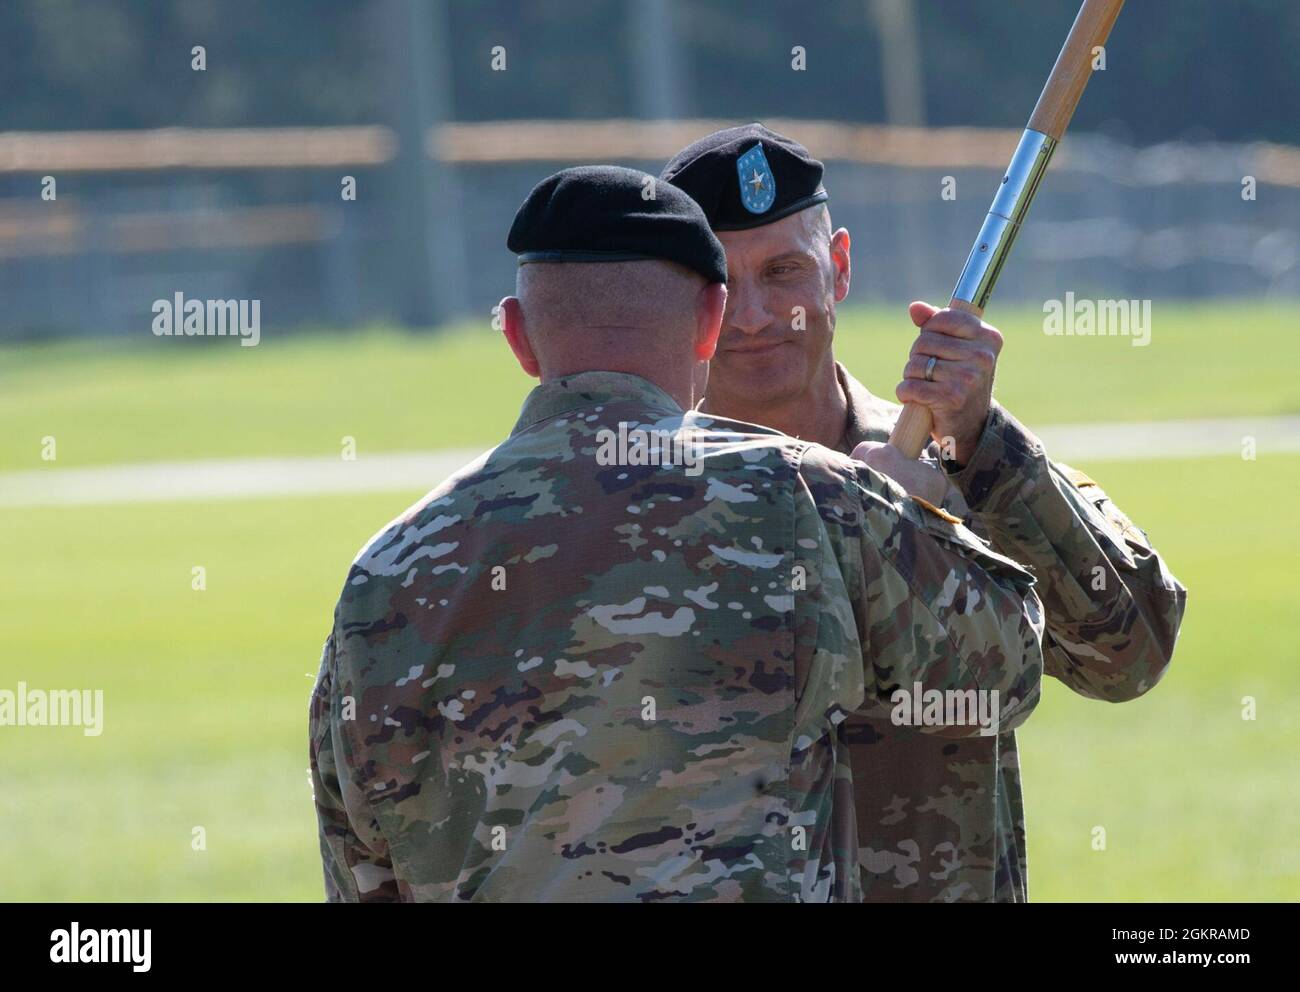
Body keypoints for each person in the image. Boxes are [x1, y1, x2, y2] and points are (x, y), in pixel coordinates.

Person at [309, 165, 1045, 902]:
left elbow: (361, 861)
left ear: (517, 336)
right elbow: (1005, 666)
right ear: (712, 320)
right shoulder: (809, 499)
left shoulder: (385, 575)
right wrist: (920, 514)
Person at [661, 123, 1188, 902]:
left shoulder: (959, 464)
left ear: (837, 268)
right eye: (726, 285)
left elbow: (1130, 655)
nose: (755, 316)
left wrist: (981, 444)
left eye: (784, 271)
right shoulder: (638, 497)